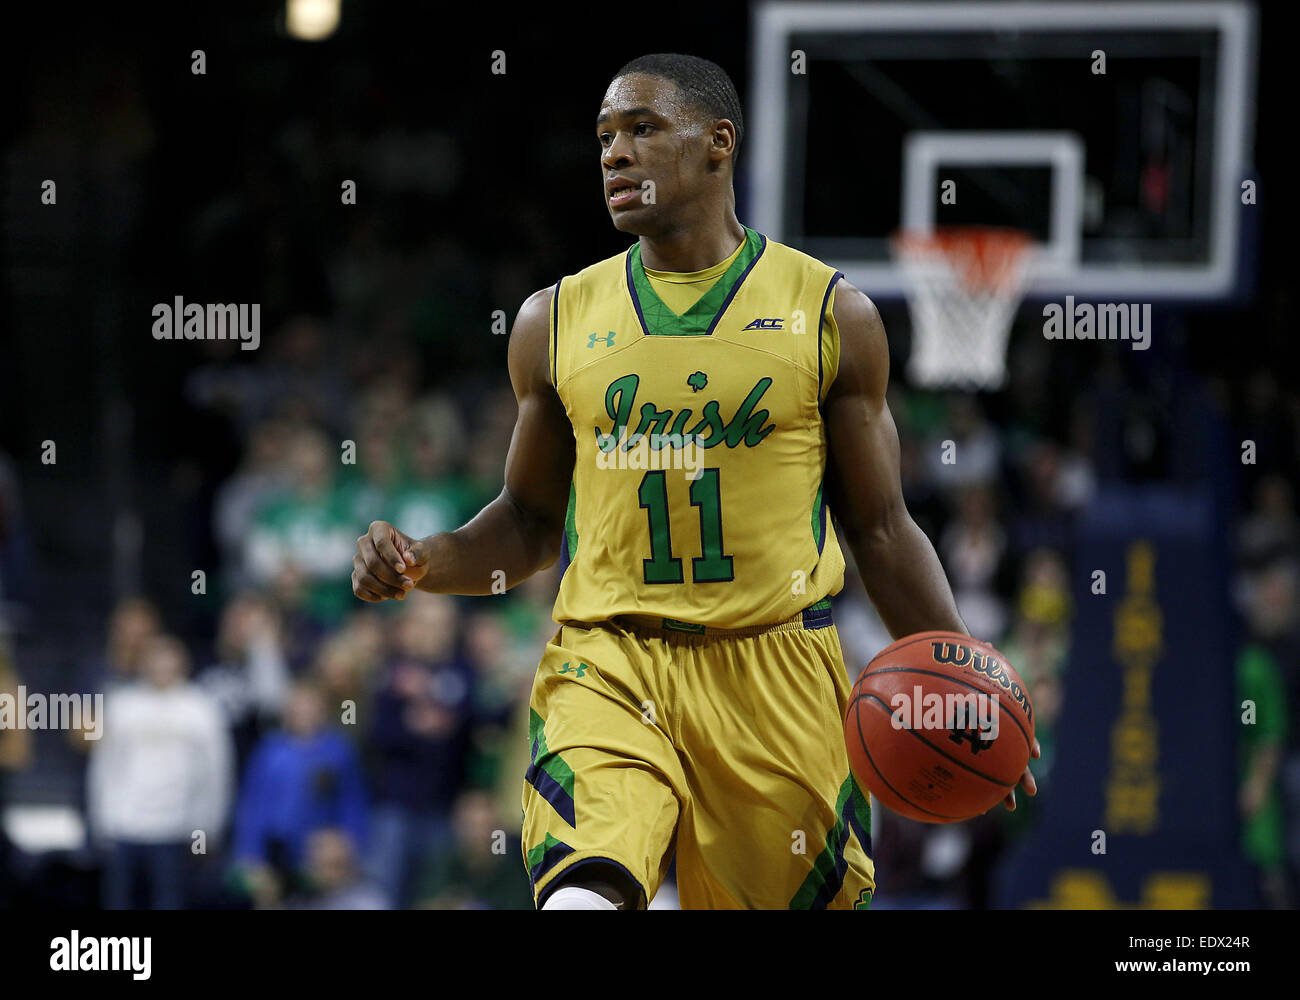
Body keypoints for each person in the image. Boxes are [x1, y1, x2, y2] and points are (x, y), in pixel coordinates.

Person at [353, 53, 1038, 910]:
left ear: (718, 145)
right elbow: (529, 523)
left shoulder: (830, 314)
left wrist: (966, 678)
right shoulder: (552, 321)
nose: (614, 153)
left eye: (642, 129)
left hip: (776, 672)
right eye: (604, 136)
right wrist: (424, 560)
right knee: (582, 895)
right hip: (611, 660)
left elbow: (882, 530)